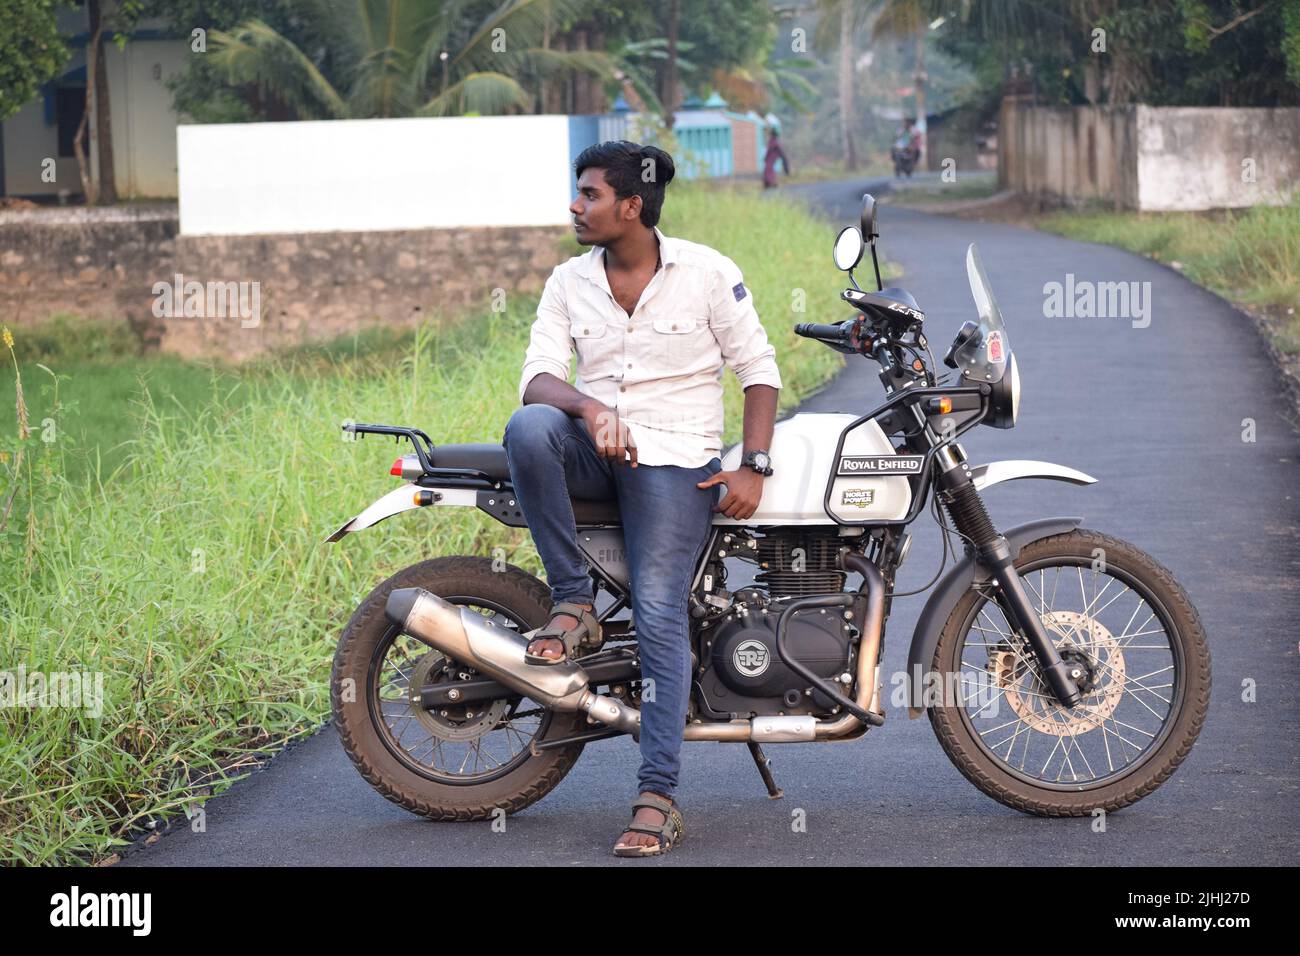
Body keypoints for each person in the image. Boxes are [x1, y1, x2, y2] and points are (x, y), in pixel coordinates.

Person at [502, 140, 782, 856]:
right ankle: (575, 602)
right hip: (596, 452)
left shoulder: (709, 273)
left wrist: (753, 465)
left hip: (675, 462)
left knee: (661, 610)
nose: (575, 205)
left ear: (632, 205)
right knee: (530, 427)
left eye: (589, 194)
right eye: (578, 191)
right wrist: (591, 410)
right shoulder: (569, 280)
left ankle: (657, 796)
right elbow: (538, 377)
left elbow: (758, 369)